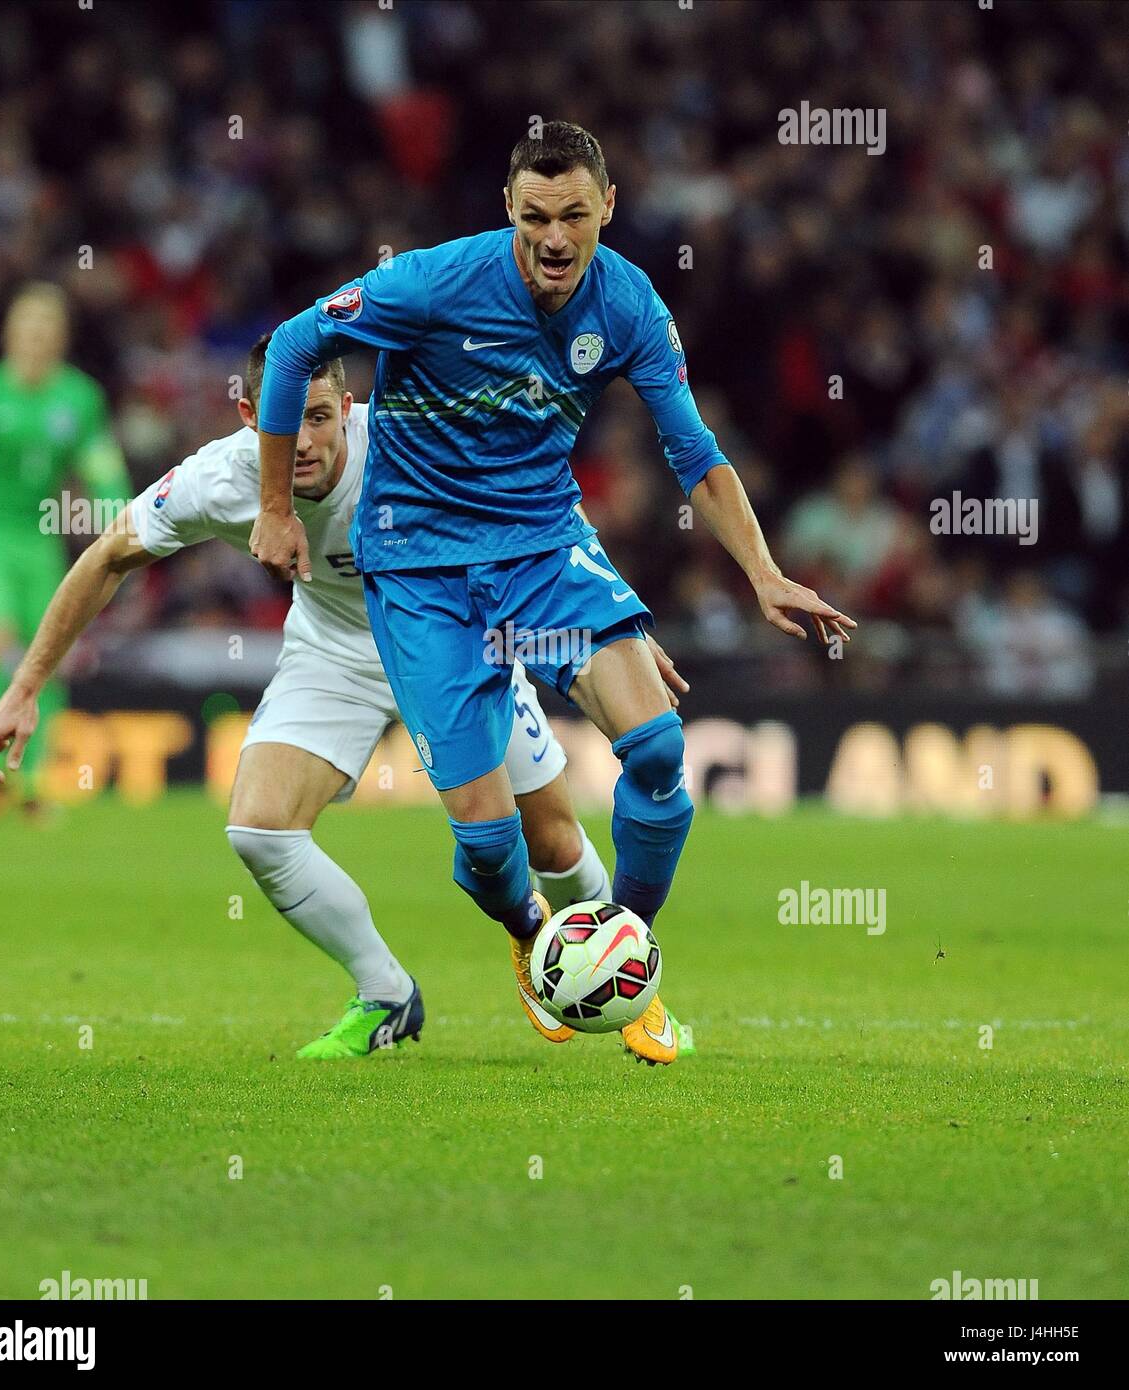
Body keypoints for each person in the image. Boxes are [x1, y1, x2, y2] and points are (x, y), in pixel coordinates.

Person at [251, 122, 855, 1065]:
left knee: (656, 751)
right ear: (509, 211)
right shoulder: (433, 282)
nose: (556, 238)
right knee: (491, 847)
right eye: (536, 216)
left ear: (607, 207)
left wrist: (763, 572)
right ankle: (532, 935)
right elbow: (292, 345)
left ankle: (626, 951)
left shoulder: (628, 304)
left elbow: (692, 449)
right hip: (417, 570)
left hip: (541, 547)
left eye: (575, 214)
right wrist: (276, 508)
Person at [0, 335, 687, 1059]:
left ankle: (633, 999)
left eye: (318, 418)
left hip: (461, 646)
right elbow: (109, 553)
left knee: (553, 841)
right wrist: (24, 688)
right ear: (247, 415)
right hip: (334, 655)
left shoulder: (414, 442)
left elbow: (537, 509)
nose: (303, 441)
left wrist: (601, 622)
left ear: (347, 408)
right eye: (283, 421)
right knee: (258, 829)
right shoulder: (222, 478)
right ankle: (387, 995)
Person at [0, 283, 130, 810]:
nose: (35, 339)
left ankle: (33, 782)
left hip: (40, 540)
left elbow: (103, 472)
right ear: (8, 335)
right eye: (26, 328)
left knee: (44, 656)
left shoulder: (79, 398)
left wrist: (120, 524)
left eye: (46, 330)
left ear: (61, 339)